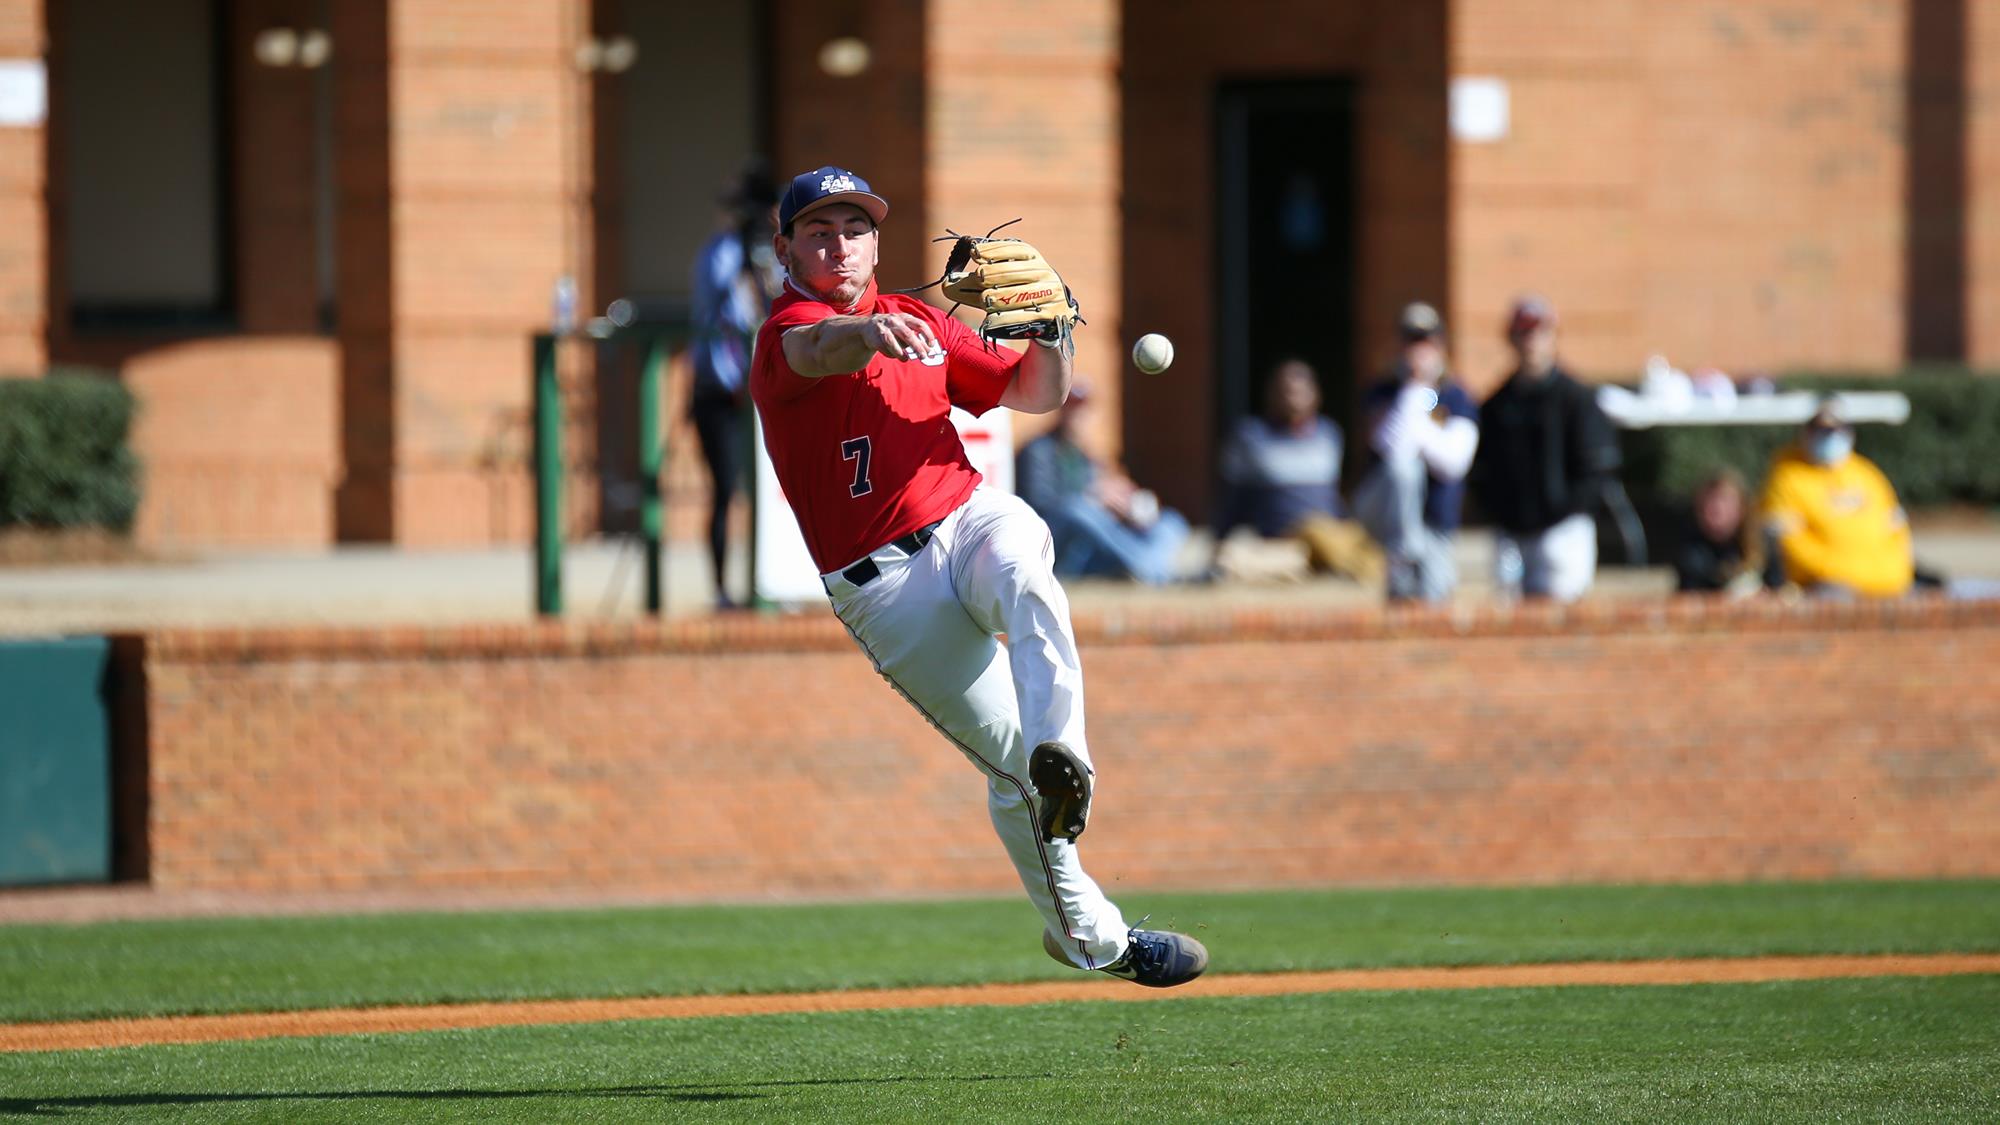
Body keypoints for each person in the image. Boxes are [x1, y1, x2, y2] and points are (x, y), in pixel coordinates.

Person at [748, 165, 1207, 987]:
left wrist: (1055, 330)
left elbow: (1036, 391)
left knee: (1023, 558)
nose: (839, 243)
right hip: (883, 588)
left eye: (854, 227)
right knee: (1015, 781)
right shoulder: (785, 331)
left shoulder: (920, 316)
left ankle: (1066, 755)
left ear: (878, 241)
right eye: (818, 229)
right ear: (786, 247)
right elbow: (817, 348)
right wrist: (865, 334)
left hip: (965, 517)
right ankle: (1097, 940)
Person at [1468, 295, 1622, 602]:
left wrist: (1570, 507)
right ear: (1511, 338)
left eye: (1539, 332)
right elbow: (1482, 471)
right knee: (1508, 616)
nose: (1531, 341)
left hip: (1563, 529)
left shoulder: (1576, 400)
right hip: (1512, 531)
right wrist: (1499, 511)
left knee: (1559, 613)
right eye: (1523, 333)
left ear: (1553, 336)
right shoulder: (1497, 405)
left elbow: (1598, 466)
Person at [688, 166, 780, 609]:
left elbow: (777, 304)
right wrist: (741, 253)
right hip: (719, 393)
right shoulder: (720, 252)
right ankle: (722, 590)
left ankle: (775, 583)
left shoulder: (771, 255)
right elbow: (717, 299)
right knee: (726, 489)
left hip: (765, 393)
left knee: (779, 489)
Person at [1213, 359, 1384, 583]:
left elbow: (1333, 494)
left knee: (1320, 532)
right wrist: (1219, 537)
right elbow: (1234, 498)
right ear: (1270, 395)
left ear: (1316, 395)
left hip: (1327, 533)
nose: (1292, 398)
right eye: (1285, 391)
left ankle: (1325, 563)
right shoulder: (1250, 436)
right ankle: (1329, 565)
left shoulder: (1329, 435)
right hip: (1282, 538)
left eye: (1300, 392)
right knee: (1230, 561)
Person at [1354, 302, 1480, 602]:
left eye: (1425, 341)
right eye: (1410, 340)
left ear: (1440, 344)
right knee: (1403, 468)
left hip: (1436, 520)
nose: (1418, 350)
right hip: (1383, 517)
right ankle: (1404, 552)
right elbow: (1390, 448)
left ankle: (1412, 554)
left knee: (1435, 600)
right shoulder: (1381, 391)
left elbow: (1453, 463)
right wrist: (1412, 391)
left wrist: (1420, 416)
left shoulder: (1456, 395)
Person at [1017, 383, 1189, 585]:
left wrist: (1127, 505)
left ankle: (1147, 565)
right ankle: (1148, 569)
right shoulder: (1037, 449)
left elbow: (1110, 495)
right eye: (1072, 410)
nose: (1078, 418)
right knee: (1078, 509)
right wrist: (1095, 496)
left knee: (1172, 520)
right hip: (1057, 541)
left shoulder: (1088, 456)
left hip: (1090, 544)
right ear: (1060, 412)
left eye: (1083, 411)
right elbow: (1042, 502)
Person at [1759, 397, 1914, 598]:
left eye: (1839, 429)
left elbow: (1897, 533)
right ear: (1807, 432)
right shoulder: (1786, 476)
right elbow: (1791, 545)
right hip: (1825, 586)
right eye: (1822, 430)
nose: (1831, 436)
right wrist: (1844, 572)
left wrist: (1894, 574)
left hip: (1886, 582)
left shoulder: (1868, 474)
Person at [1672, 468, 1763, 595]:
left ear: (1742, 507)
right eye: (1710, 502)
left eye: (1725, 501)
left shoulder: (1764, 544)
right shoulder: (1692, 555)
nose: (1717, 509)